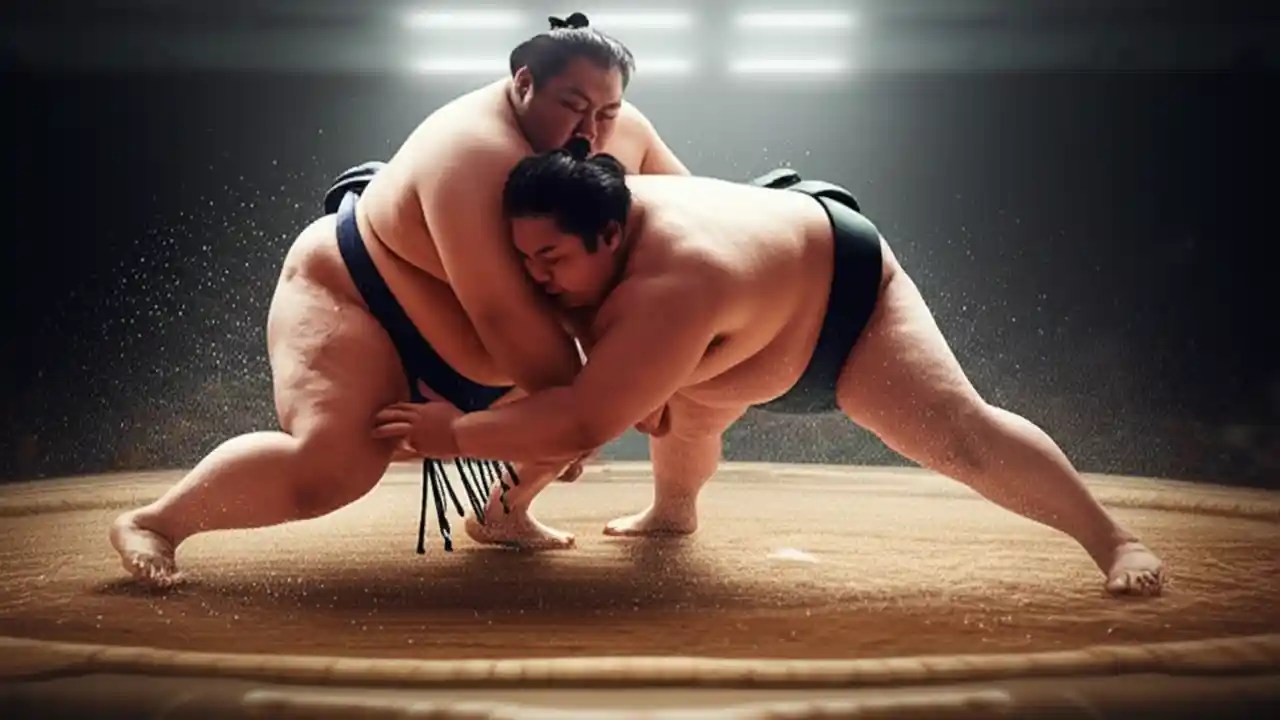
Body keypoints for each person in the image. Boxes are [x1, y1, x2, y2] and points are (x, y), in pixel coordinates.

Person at [373, 140, 1166, 596]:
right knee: (678, 406)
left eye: (549, 258)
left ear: (612, 235)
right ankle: (660, 511)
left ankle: (1114, 542)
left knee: (959, 436)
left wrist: (457, 433)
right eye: (526, 257)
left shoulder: (671, 288)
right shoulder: (586, 214)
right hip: (748, 307)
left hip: (843, 304)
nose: (533, 273)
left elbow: (585, 418)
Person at [109, 13, 695, 586]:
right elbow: (501, 312)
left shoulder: (623, 134)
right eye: (572, 107)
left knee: (591, 392)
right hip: (360, 298)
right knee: (333, 468)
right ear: (522, 84)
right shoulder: (469, 152)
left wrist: (636, 374)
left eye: (607, 112)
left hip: (499, 355)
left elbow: (690, 219)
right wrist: (584, 412)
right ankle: (156, 523)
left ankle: (504, 512)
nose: (591, 130)